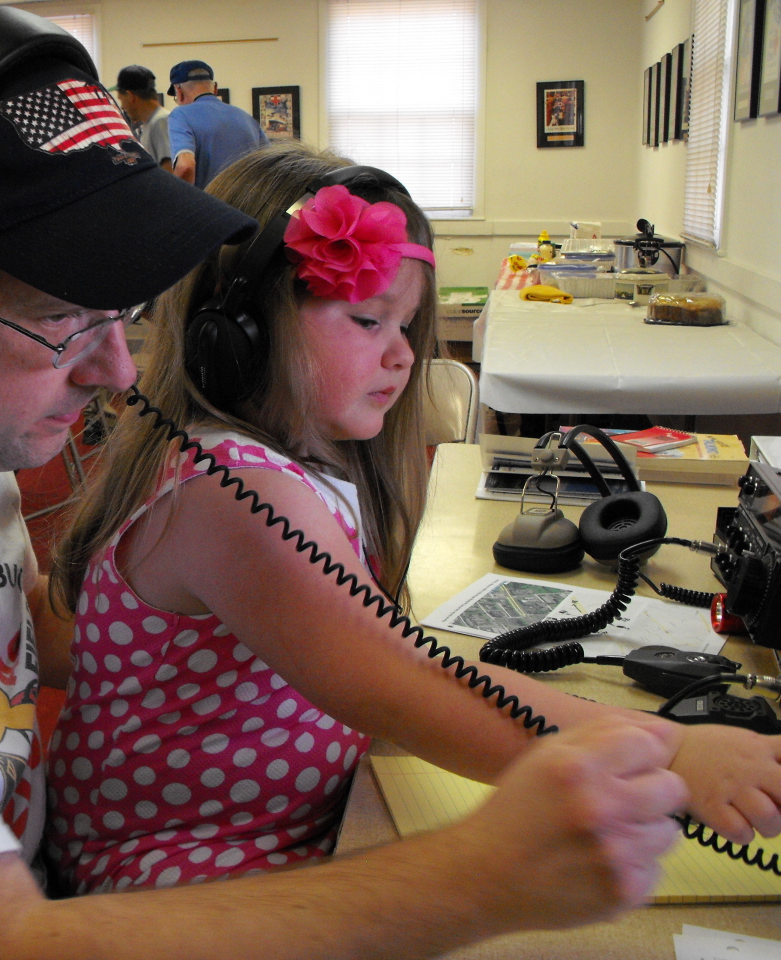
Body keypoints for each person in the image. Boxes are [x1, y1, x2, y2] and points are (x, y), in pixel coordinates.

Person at [0, 10, 709, 960]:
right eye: (66, 321)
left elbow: (6, 629)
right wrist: (486, 874)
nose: (117, 374)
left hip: (34, 878)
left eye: (120, 315)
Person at [45, 141, 781, 897]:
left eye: (407, 328)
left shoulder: (287, 466)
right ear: (240, 328)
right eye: (368, 320)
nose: (402, 357)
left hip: (290, 820)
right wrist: (666, 753)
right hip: (180, 868)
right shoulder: (232, 495)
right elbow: (405, 688)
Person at [166, 59, 268, 188]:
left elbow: (185, 166)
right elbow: (270, 167)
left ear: (178, 91)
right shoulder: (247, 118)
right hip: (246, 205)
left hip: (206, 205)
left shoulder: (181, 115)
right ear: (215, 88)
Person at [113, 64, 171, 171]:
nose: (122, 107)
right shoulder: (151, 123)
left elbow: (169, 169)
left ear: (131, 97)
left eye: (121, 100)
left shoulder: (160, 121)